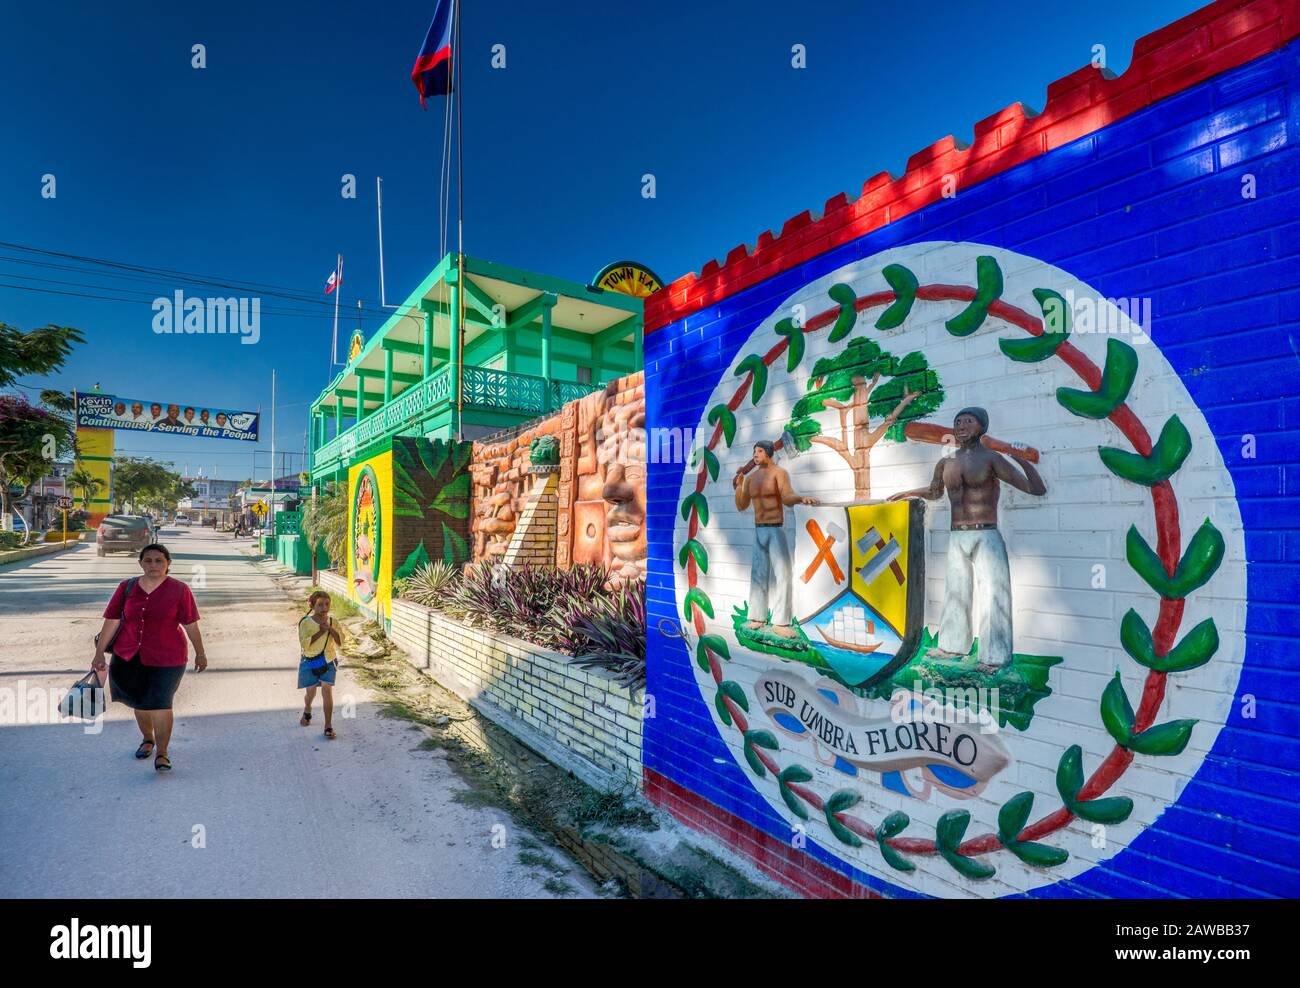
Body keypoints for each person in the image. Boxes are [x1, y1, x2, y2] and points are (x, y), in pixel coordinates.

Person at [888, 407, 1046, 670]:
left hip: (986, 534)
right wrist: (907, 492)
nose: (961, 426)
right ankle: (952, 646)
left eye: (968, 421)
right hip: (957, 536)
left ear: (981, 427)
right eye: (958, 421)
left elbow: (1035, 489)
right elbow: (934, 491)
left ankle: (994, 657)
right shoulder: (946, 462)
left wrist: (1022, 459)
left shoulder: (992, 459)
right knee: (955, 593)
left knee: (995, 594)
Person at [92, 544, 206, 771]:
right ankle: (147, 739)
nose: (153, 565)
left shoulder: (179, 590)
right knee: (140, 702)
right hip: (128, 655)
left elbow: (190, 623)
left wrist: (200, 653)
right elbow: (112, 620)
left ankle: (162, 753)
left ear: (168, 564)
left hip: (168, 657)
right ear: (140, 563)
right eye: (148, 560)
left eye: (159, 561)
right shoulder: (127, 587)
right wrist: (98, 653)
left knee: (161, 703)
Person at [733, 440, 818, 639]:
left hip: (775, 529)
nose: (755, 454)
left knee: (783, 574)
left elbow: (787, 497)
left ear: (769, 453)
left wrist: (800, 498)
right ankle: (757, 616)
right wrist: (739, 485)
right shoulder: (752, 478)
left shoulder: (779, 473)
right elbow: (741, 505)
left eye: (759, 451)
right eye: (754, 451)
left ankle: (781, 622)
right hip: (759, 530)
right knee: (758, 575)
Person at [298, 591, 341, 739]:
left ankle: (328, 726)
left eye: (327, 604)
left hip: (328, 659)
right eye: (320, 605)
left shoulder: (332, 621)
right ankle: (308, 708)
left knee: (326, 691)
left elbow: (340, 642)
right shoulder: (305, 623)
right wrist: (320, 632)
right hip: (310, 661)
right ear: (312, 605)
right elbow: (305, 645)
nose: (324, 608)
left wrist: (331, 630)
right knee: (311, 692)